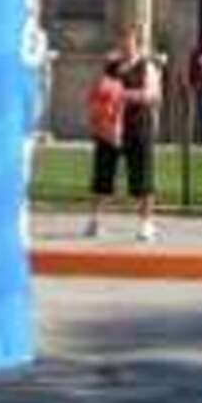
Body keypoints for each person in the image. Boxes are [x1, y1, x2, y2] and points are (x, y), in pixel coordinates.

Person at [82, 22, 163, 243]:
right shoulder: (111, 66)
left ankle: (146, 224)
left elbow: (153, 95)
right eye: (123, 40)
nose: (125, 45)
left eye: (129, 40)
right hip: (109, 127)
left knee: (143, 176)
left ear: (137, 43)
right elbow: (99, 90)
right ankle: (94, 221)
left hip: (137, 126)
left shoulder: (147, 66)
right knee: (102, 173)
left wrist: (121, 93)